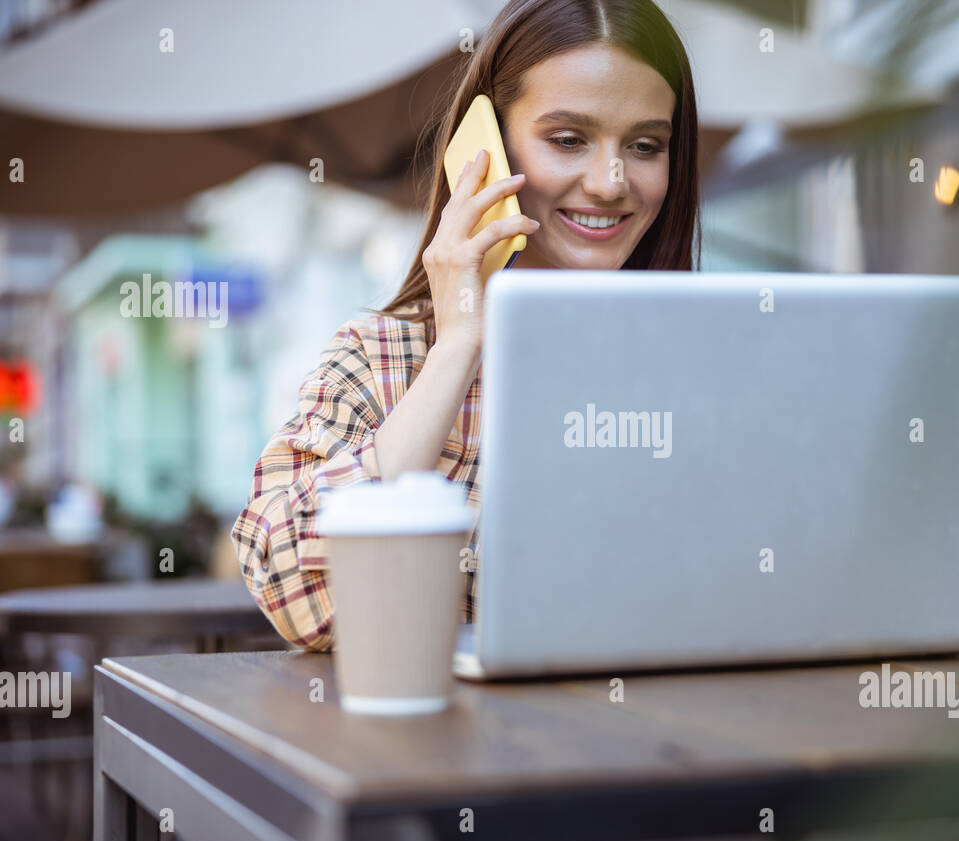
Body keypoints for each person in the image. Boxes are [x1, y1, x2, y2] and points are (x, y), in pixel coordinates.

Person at [231, 0, 701, 650]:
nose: (610, 181)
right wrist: (457, 347)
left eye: (646, 145)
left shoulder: (705, 359)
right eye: (568, 139)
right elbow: (301, 598)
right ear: (484, 150)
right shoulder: (382, 356)